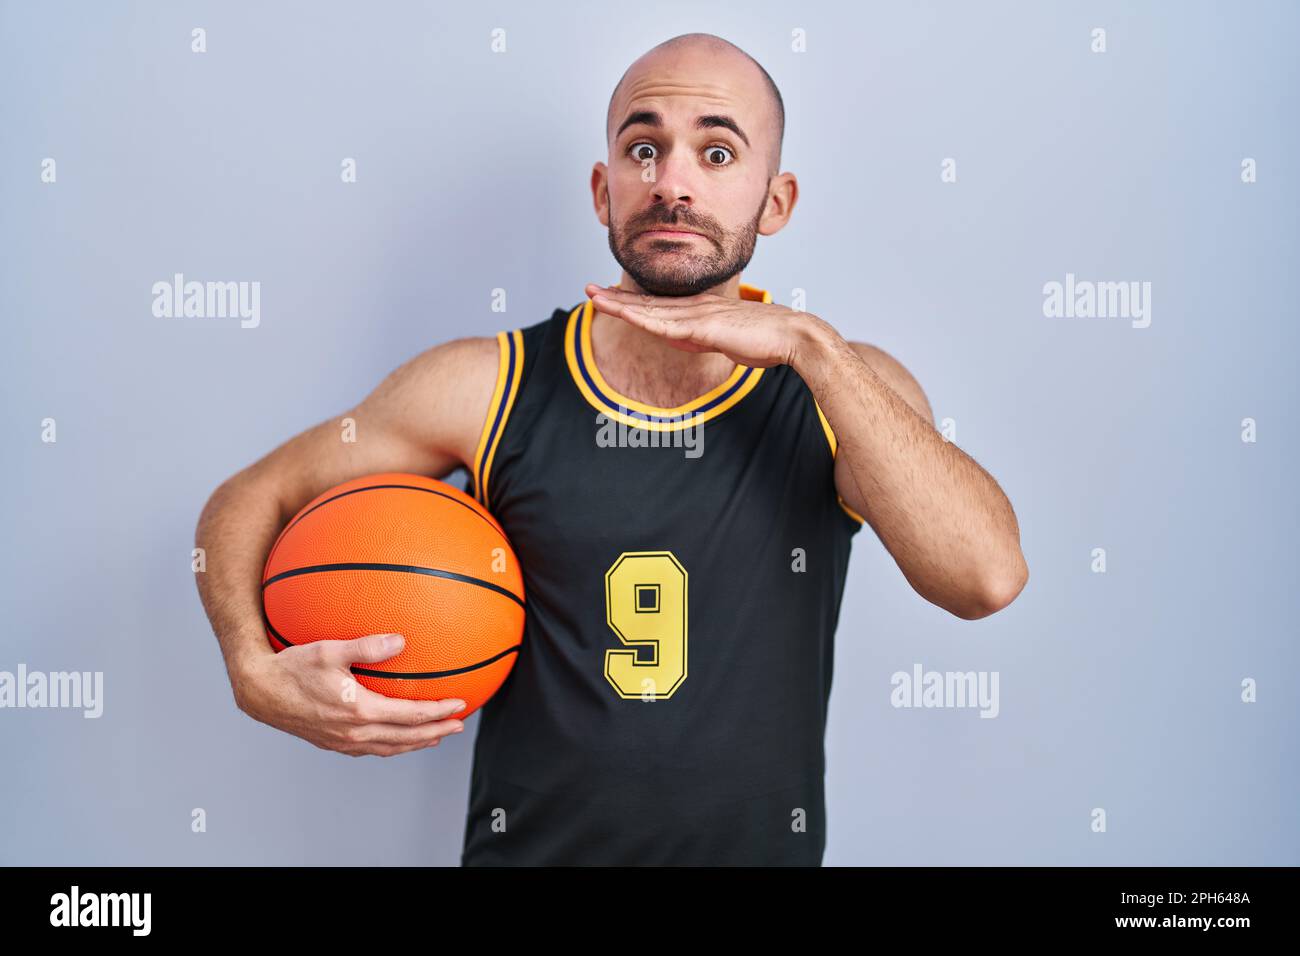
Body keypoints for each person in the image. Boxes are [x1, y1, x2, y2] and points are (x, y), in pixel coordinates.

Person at [194, 32, 1028, 866]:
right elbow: (248, 499)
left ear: (776, 202)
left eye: (716, 151)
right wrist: (250, 665)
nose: (672, 182)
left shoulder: (841, 388)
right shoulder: (489, 385)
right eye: (643, 148)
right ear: (604, 190)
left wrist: (812, 346)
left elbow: (984, 577)